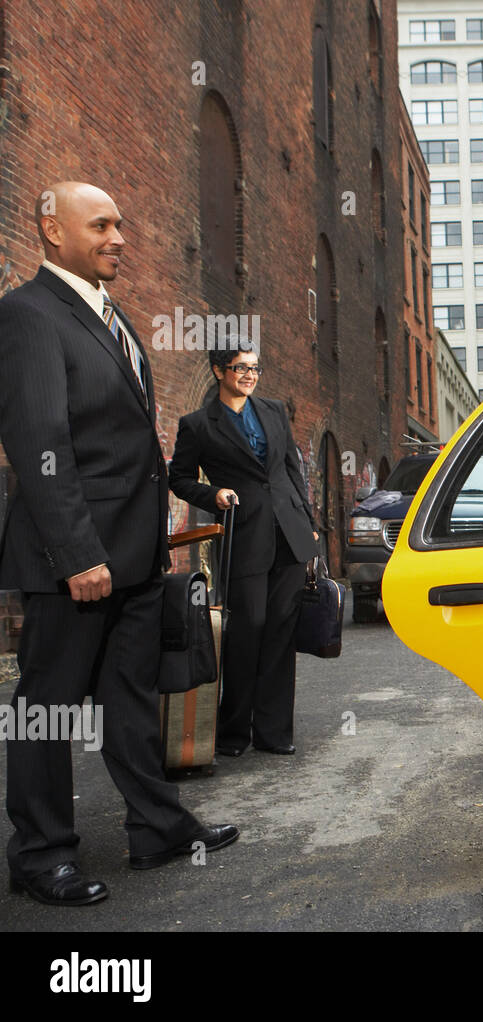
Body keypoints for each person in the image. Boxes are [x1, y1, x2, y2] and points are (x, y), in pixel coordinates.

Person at [0, 182, 238, 905]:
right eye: (99, 224)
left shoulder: (111, 317)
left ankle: (156, 828)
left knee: (129, 702)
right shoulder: (27, 316)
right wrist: (77, 556)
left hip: (133, 556)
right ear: (51, 230)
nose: (118, 237)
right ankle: (40, 854)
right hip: (75, 560)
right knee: (48, 709)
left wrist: (154, 540)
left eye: (121, 225)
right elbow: (39, 443)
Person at [168, 344, 318, 758]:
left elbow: (291, 468)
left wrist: (308, 522)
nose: (249, 375)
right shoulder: (198, 424)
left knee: (280, 633)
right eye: (240, 368)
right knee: (247, 630)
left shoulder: (272, 411)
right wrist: (213, 493)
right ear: (219, 371)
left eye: (255, 367)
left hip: (289, 534)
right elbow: (178, 479)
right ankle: (234, 732)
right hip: (245, 536)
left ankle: (274, 732)